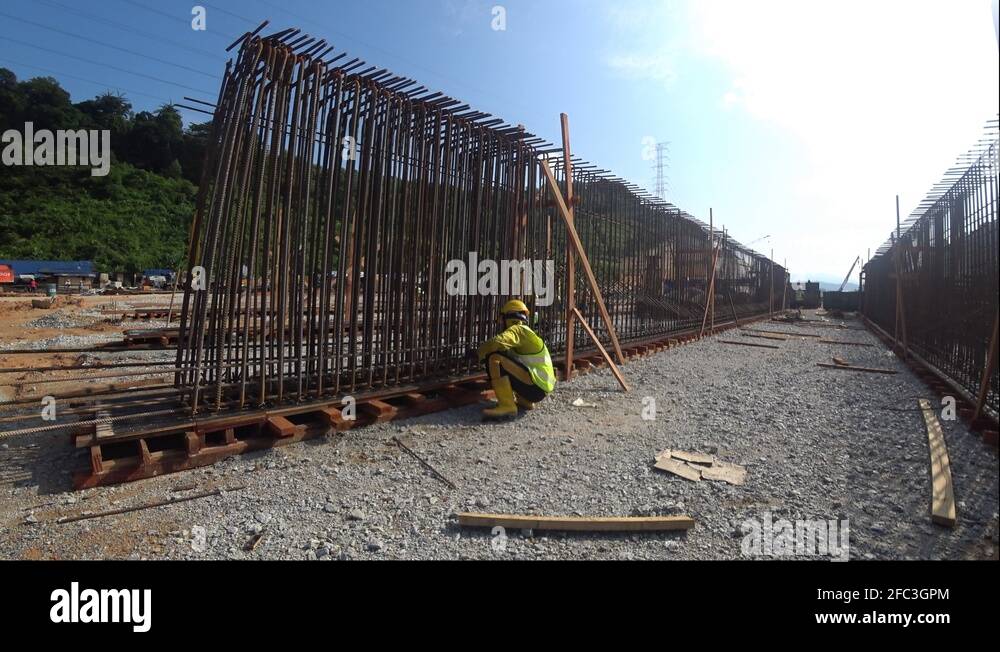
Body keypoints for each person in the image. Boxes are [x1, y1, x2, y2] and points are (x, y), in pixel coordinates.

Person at [476, 299, 556, 420]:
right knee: (505, 357)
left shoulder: (518, 330)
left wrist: (478, 353)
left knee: (495, 358)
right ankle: (525, 401)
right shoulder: (526, 333)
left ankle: (507, 406)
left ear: (508, 317)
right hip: (539, 389)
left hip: (536, 386)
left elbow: (497, 342)